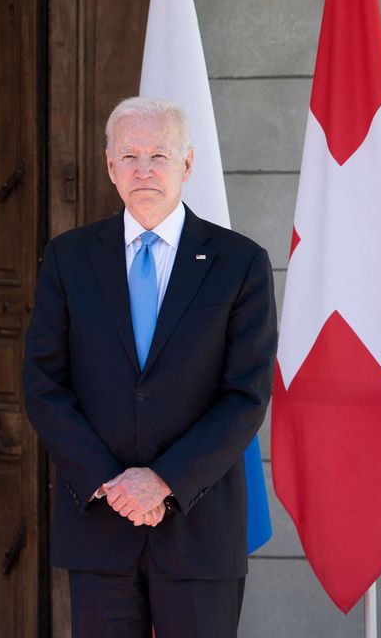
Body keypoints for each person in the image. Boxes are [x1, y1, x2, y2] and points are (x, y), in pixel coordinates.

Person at [22, 97, 278, 637]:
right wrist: (110, 483)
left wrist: (162, 481)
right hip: (101, 525)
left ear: (187, 164)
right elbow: (45, 385)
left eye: (158, 155)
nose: (143, 170)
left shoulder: (240, 262)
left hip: (198, 527)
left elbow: (246, 396)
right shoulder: (68, 258)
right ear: (110, 166)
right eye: (129, 156)